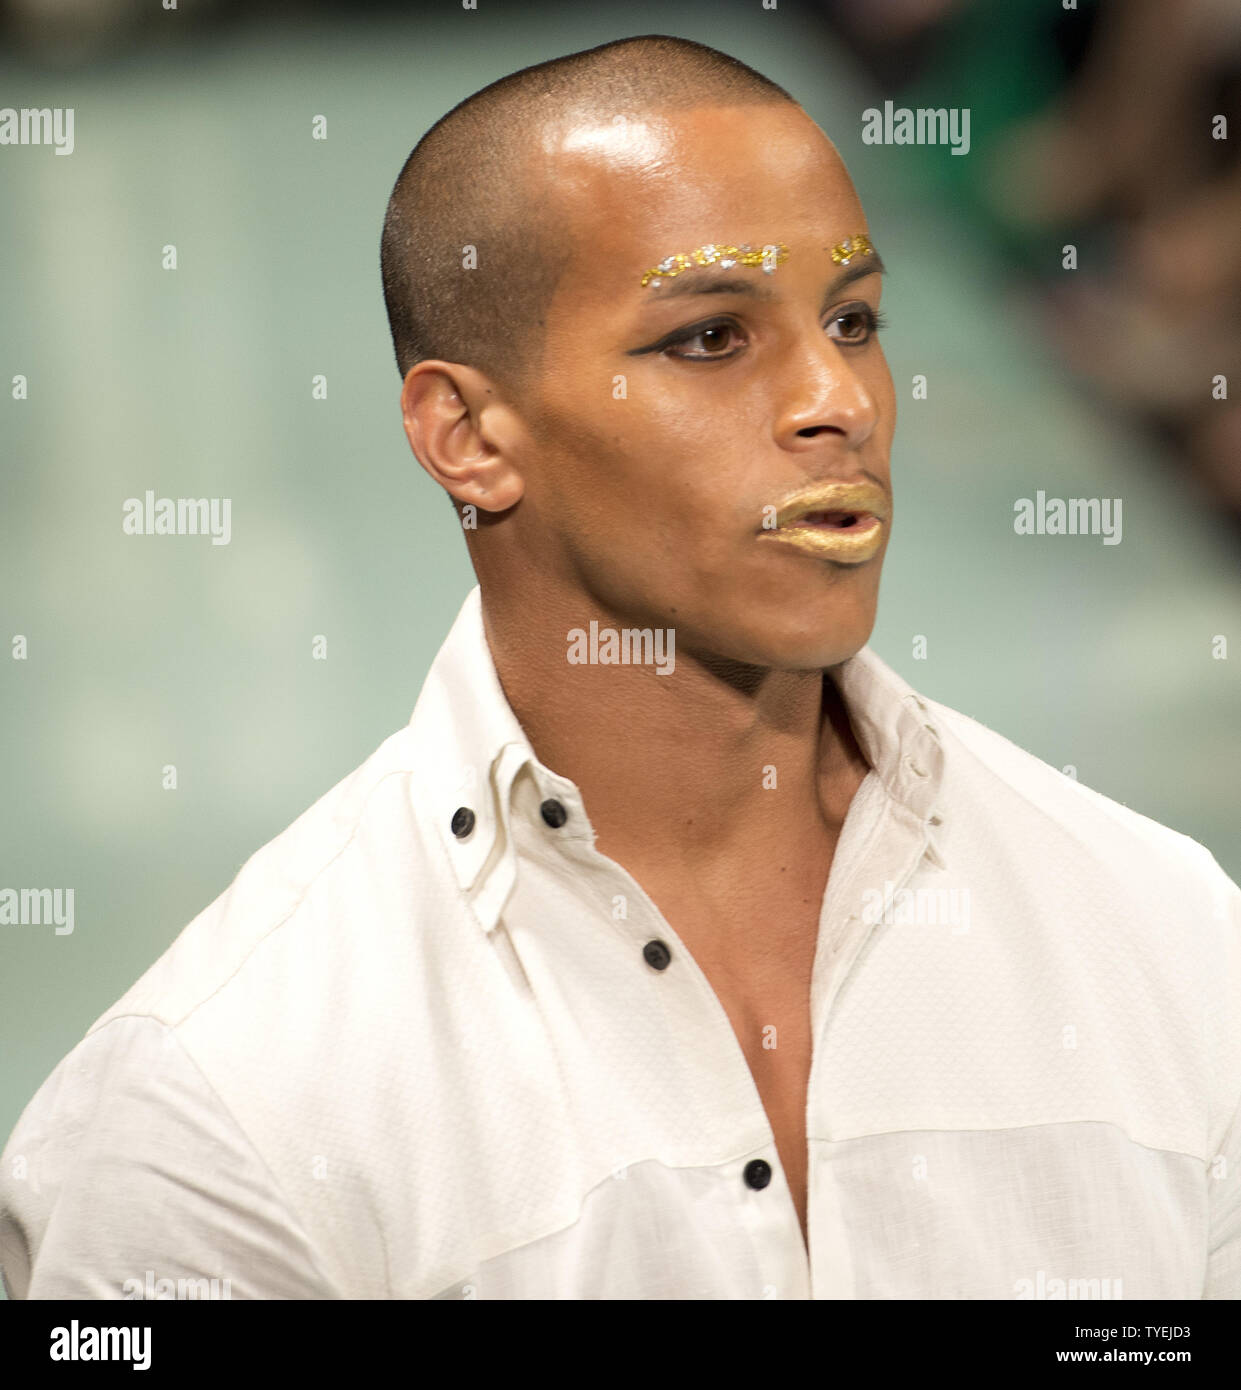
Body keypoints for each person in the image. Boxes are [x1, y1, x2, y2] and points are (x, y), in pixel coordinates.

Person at [2, 34, 1238, 1301]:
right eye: (709, 338)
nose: (839, 401)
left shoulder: (1167, 930)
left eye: (852, 319)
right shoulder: (214, 1114)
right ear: (468, 436)